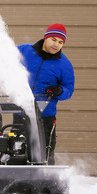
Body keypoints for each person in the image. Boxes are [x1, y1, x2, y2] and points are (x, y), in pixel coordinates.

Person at [17, 23, 75, 165]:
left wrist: (59, 91)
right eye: (54, 39)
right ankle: (17, 183)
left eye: (61, 42)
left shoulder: (64, 64)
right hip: (20, 113)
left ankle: (45, 183)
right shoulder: (24, 51)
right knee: (17, 151)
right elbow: (4, 66)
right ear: (46, 38)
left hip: (46, 117)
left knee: (45, 155)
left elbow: (68, 90)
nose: (57, 44)